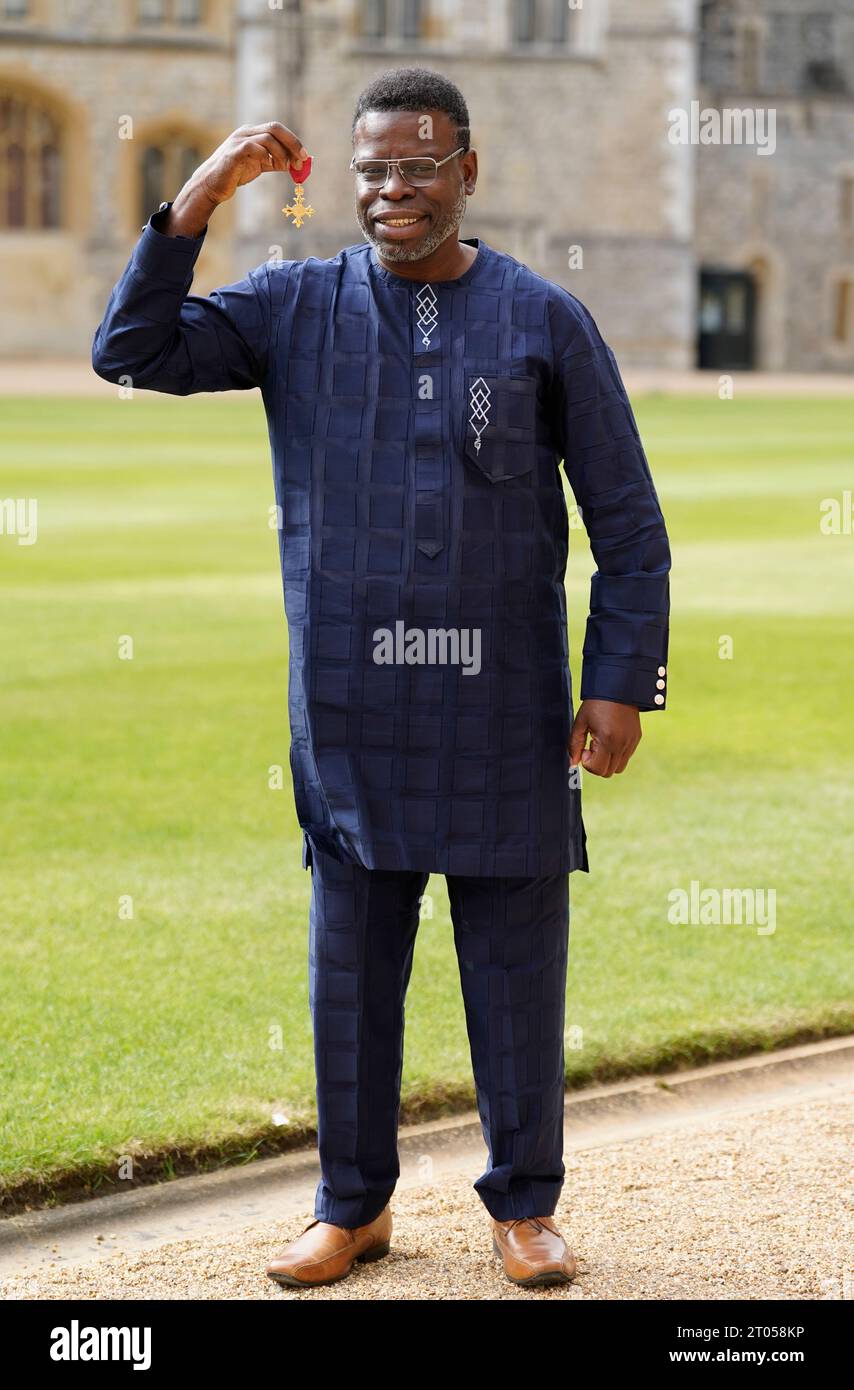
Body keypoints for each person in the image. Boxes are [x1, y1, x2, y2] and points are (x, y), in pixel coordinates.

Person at [92, 66, 671, 1291]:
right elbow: (130, 349)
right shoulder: (293, 306)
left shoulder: (540, 319)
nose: (391, 190)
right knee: (349, 976)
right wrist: (200, 190)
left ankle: (523, 1209)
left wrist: (617, 681)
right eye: (370, 170)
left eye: (417, 166)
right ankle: (348, 1208)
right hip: (349, 714)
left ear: (467, 173)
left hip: (505, 710)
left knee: (513, 973)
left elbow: (626, 521)